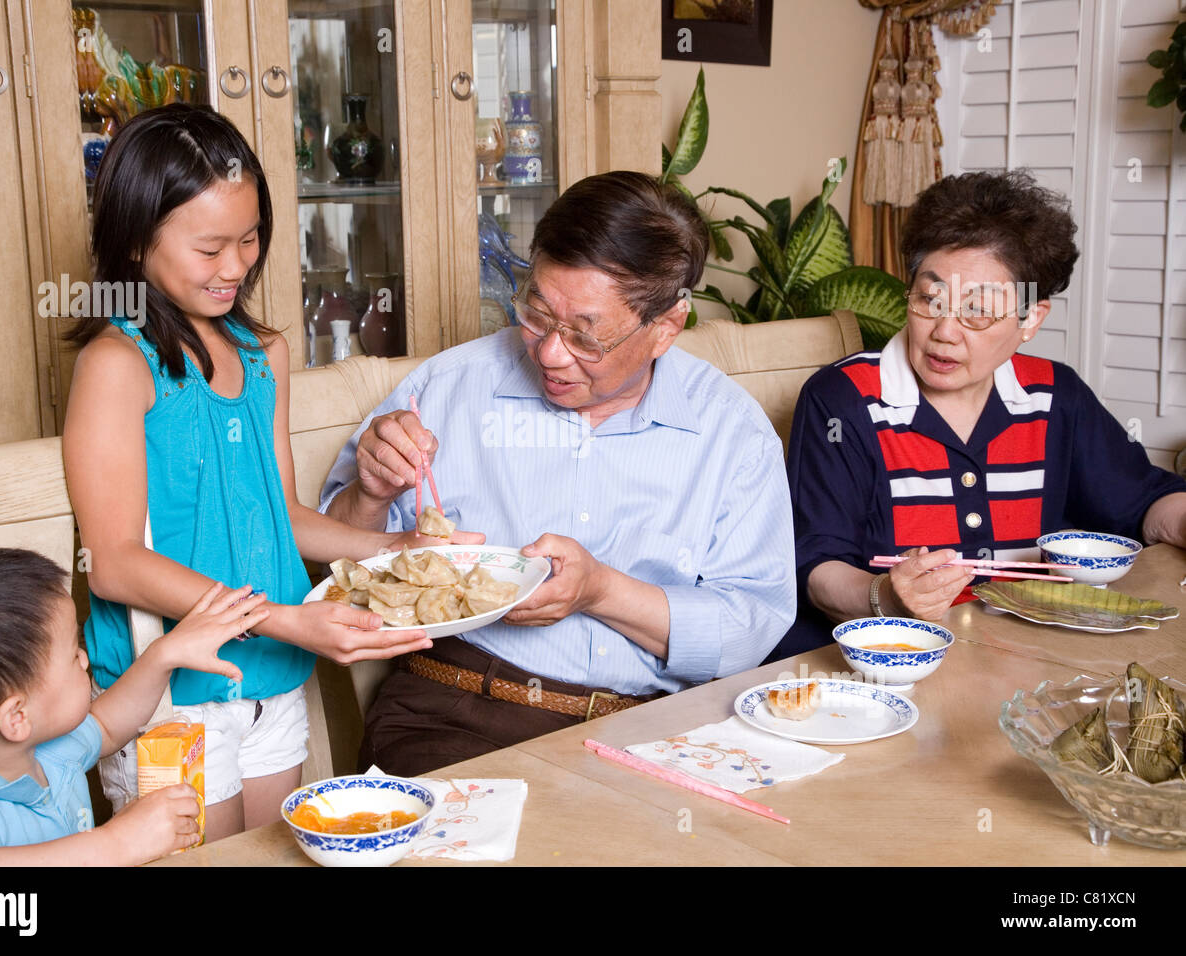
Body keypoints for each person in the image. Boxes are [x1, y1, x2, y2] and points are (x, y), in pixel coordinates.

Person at [62, 104, 477, 841]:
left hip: (274, 678)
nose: (236, 266)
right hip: (167, 696)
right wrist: (284, 618)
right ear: (133, 244)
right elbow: (116, 564)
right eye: (209, 247)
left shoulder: (264, 356)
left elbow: (282, 516)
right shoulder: (116, 366)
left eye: (250, 239)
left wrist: (403, 553)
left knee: (271, 858)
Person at [322, 170, 796, 775]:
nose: (549, 352)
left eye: (585, 335)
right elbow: (332, 565)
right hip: (459, 710)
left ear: (666, 328)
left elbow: (752, 624)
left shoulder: (731, 432)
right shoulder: (447, 389)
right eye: (538, 314)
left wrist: (600, 592)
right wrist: (370, 490)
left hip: (652, 733)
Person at [779, 169, 1186, 657]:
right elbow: (816, 567)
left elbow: (1143, 502)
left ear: (1030, 319)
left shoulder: (1055, 396)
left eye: (978, 312)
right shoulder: (842, 400)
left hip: (1028, 659)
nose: (945, 331)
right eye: (930, 300)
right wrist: (886, 594)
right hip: (890, 662)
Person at [0, 548, 262, 864]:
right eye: (72, 655)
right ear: (16, 717)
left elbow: (107, 725)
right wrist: (118, 843)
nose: (84, 659)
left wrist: (164, 655)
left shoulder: (40, 751)